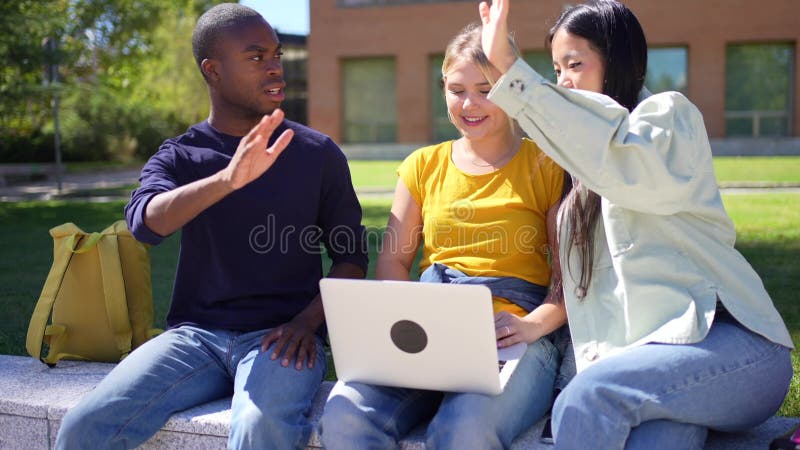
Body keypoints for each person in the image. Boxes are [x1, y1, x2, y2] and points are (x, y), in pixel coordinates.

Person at [478, 0, 794, 448]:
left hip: (736, 348)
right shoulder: (580, 174)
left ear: (618, 61)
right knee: (657, 436)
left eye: (575, 64)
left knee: (586, 400)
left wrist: (510, 68)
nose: (564, 80)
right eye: (556, 68)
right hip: (656, 367)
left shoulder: (667, 120)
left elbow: (621, 164)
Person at [55, 4, 368, 449]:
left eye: (277, 55)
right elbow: (145, 223)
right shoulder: (181, 155)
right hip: (194, 338)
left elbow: (352, 258)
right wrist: (228, 180)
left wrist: (307, 324)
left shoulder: (318, 153)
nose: (275, 68)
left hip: (281, 338)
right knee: (85, 425)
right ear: (213, 70)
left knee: (259, 426)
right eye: (257, 57)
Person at [320, 23, 569, 449]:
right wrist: (405, 326)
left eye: (486, 89)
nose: (470, 103)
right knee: (345, 415)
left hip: (512, 337)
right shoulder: (423, 165)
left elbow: (570, 281)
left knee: (463, 430)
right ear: (444, 90)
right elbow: (394, 263)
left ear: (511, 87)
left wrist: (530, 327)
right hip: (428, 330)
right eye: (457, 90)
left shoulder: (546, 165)